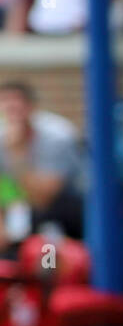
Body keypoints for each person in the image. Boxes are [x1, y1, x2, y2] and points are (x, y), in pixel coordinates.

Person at [0, 79, 85, 251]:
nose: (12, 112)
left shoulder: (57, 136)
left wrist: (17, 153)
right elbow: (5, 189)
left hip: (71, 208)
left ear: (31, 107)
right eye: (7, 106)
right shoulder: (2, 136)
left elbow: (44, 199)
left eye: (17, 106)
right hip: (22, 205)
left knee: (40, 220)